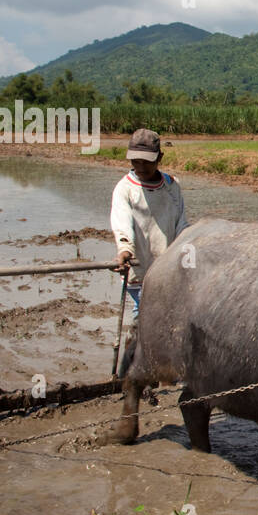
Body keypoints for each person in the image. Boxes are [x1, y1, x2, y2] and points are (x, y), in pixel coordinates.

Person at [110, 128, 187, 376]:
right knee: (140, 322)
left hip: (167, 271)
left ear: (160, 158)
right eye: (136, 161)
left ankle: (161, 371)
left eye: (147, 161)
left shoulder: (172, 187)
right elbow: (121, 223)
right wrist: (124, 249)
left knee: (169, 322)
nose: (141, 166)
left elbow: (182, 225)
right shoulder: (125, 189)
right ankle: (128, 376)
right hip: (139, 268)